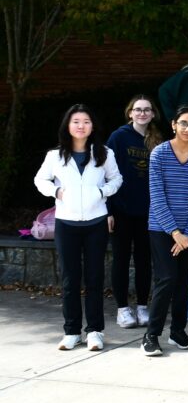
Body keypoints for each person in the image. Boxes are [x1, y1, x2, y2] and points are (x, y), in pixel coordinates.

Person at [35, 105, 123, 351]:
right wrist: (56, 191)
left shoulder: (105, 153)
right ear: (68, 125)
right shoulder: (55, 156)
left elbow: (117, 179)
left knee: (94, 278)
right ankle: (71, 331)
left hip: (96, 222)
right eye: (76, 121)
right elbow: (40, 179)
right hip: (66, 223)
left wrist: (101, 192)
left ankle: (95, 331)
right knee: (70, 279)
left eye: (86, 121)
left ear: (92, 126)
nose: (81, 125)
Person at [142, 105, 188, 357]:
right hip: (161, 229)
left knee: (184, 280)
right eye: (183, 123)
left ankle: (178, 332)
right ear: (173, 124)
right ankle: (151, 335)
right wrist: (175, 233)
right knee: (167, 278)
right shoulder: (159, 154)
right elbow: (157, 198)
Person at [106, 95, 162, 330]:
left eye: (147, 110)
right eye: (138, 110)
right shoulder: (118, 137)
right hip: (120, 210)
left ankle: (141, 306)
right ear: (130, 113)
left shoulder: (157, 139)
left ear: (152, 114)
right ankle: (122, 309)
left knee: (143, 260)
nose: (142, 113)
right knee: (120, 259)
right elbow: (106, 173)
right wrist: (108, 210)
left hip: (147, 211)